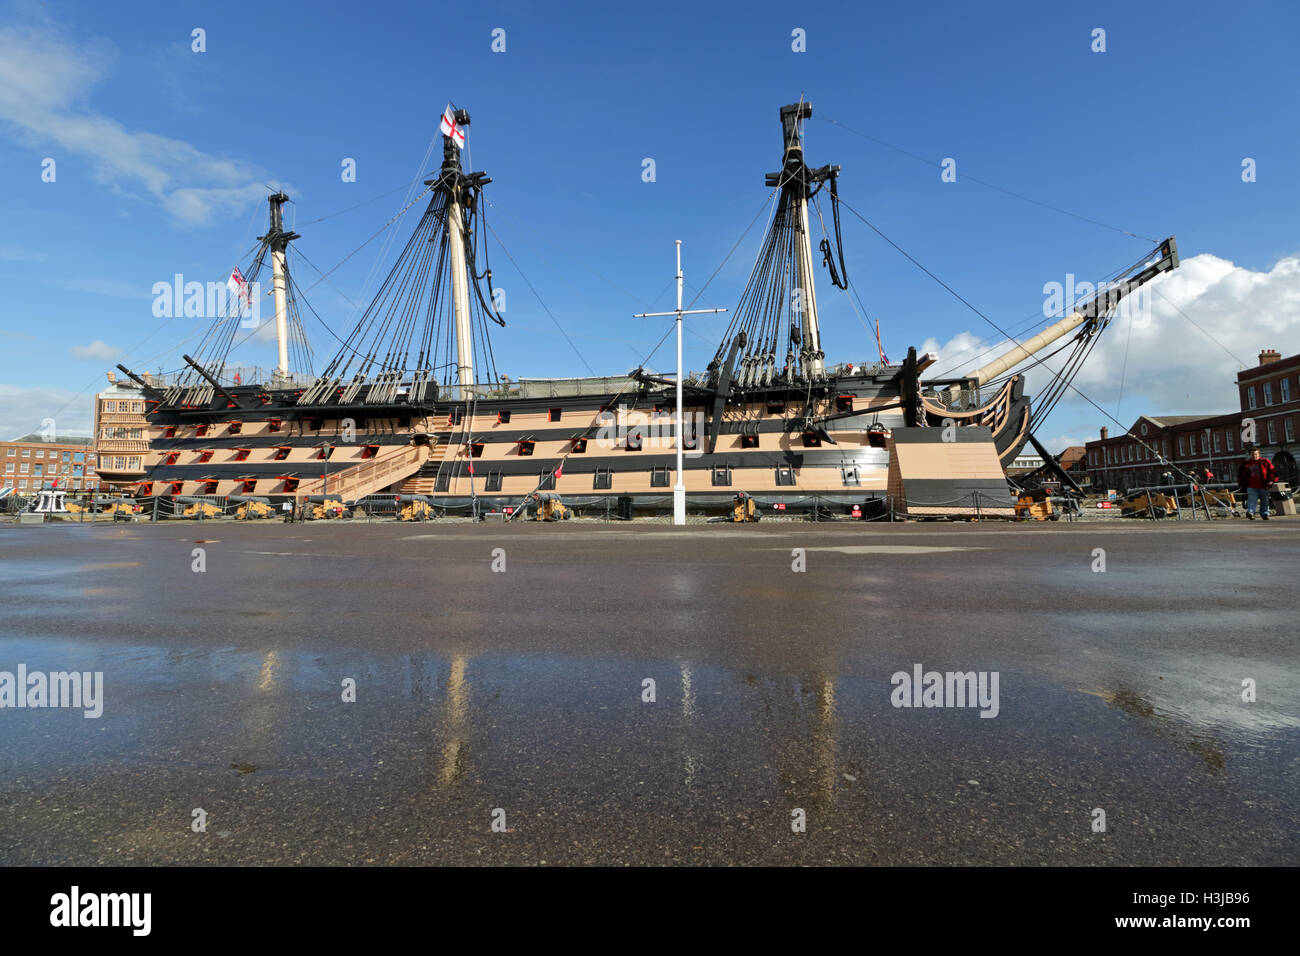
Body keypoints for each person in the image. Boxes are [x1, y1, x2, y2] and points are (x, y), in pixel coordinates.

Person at [1237, 446, 1277, 520]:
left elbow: (1272, 472)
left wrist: (1271, 480)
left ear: (1259, 454)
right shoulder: (1245, 464)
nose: (1254, 456)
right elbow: (1241, 475)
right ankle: (1251, 513)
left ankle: (1265, 514)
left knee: (1265, 500)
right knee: (1252, 500)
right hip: (1251, 486)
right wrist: (1241, 485)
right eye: (1252, 454)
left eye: (1256, 454)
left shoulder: (1265, 462)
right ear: (1250, 455)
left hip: (1264, 485)